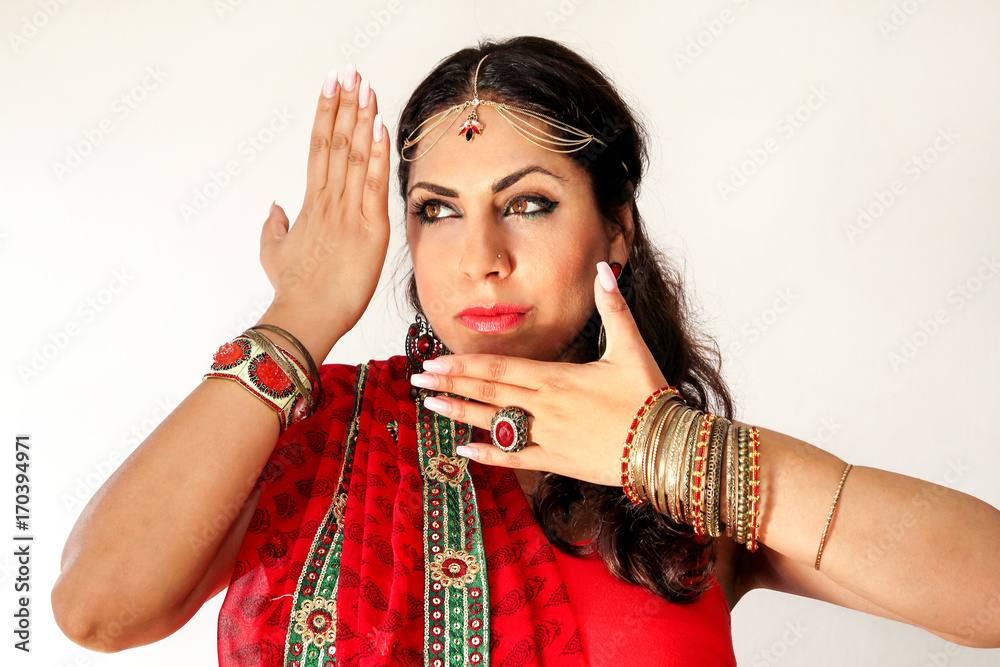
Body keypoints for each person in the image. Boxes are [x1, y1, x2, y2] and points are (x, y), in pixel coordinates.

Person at [51, 35, 1000, 665]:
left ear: (615, 230)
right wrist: (297, 315)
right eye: (436, 212)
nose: (481, 259)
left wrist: (668, 453)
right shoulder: (313, 433)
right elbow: (97, 607)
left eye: (529, 203)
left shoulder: (689, 484)